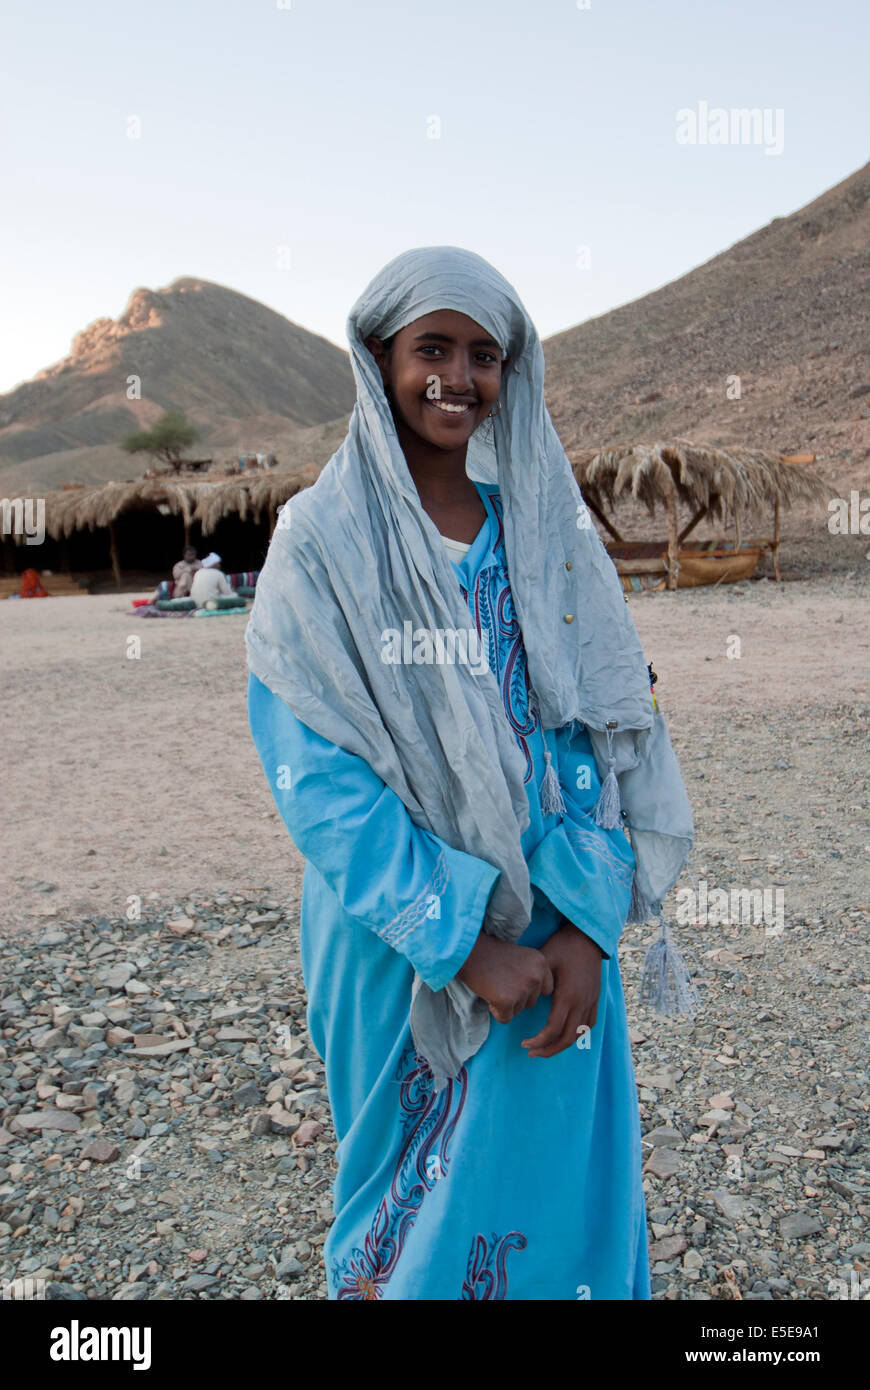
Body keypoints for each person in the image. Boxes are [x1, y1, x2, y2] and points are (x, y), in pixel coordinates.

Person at [245, 247, 695, 1301]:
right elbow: (319, 780)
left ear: (510, 374)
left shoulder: (547, 535)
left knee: (553, 1191)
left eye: (484, 354)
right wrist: (461, 945)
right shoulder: (320, 544)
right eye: (431, 348)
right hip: (392, 939)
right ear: (378, 358)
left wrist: (586, 929)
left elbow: (607, 730)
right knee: (403, 1198)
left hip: (558, 914)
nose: (459, 376)